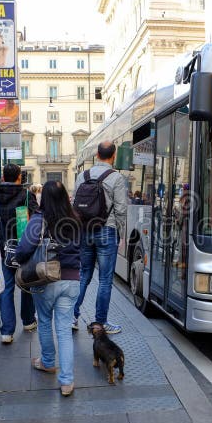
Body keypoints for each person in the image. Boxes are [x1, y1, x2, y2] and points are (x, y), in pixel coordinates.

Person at [15, 180, 81, 397]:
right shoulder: (75, 219)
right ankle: (67, 381)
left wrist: (18, 259)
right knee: (64, 330)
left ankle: (48, 362)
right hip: (72, 281)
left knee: (44, 322)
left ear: (45, 198)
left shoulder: (39, 220)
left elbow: (25, 248)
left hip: (47, 279)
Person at [72, 141, 128, 334]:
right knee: (105, 279)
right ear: (113, 156)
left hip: (85, 231)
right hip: (106, 230)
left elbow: (75, 204)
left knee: (83, 274)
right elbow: (121, 209)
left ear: (96, 155)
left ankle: (73, 315)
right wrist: (121, 233)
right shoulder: (116, 178)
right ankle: (100, 322)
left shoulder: (82, 176)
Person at [0, 163, 39, 344]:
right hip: (23, 248)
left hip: (3, 248)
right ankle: (27, 321)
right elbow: (36, 219)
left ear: (3, 177)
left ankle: (6, 332)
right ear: (19, 177)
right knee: (26, 284)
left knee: (7, 288)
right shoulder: (26, 195)